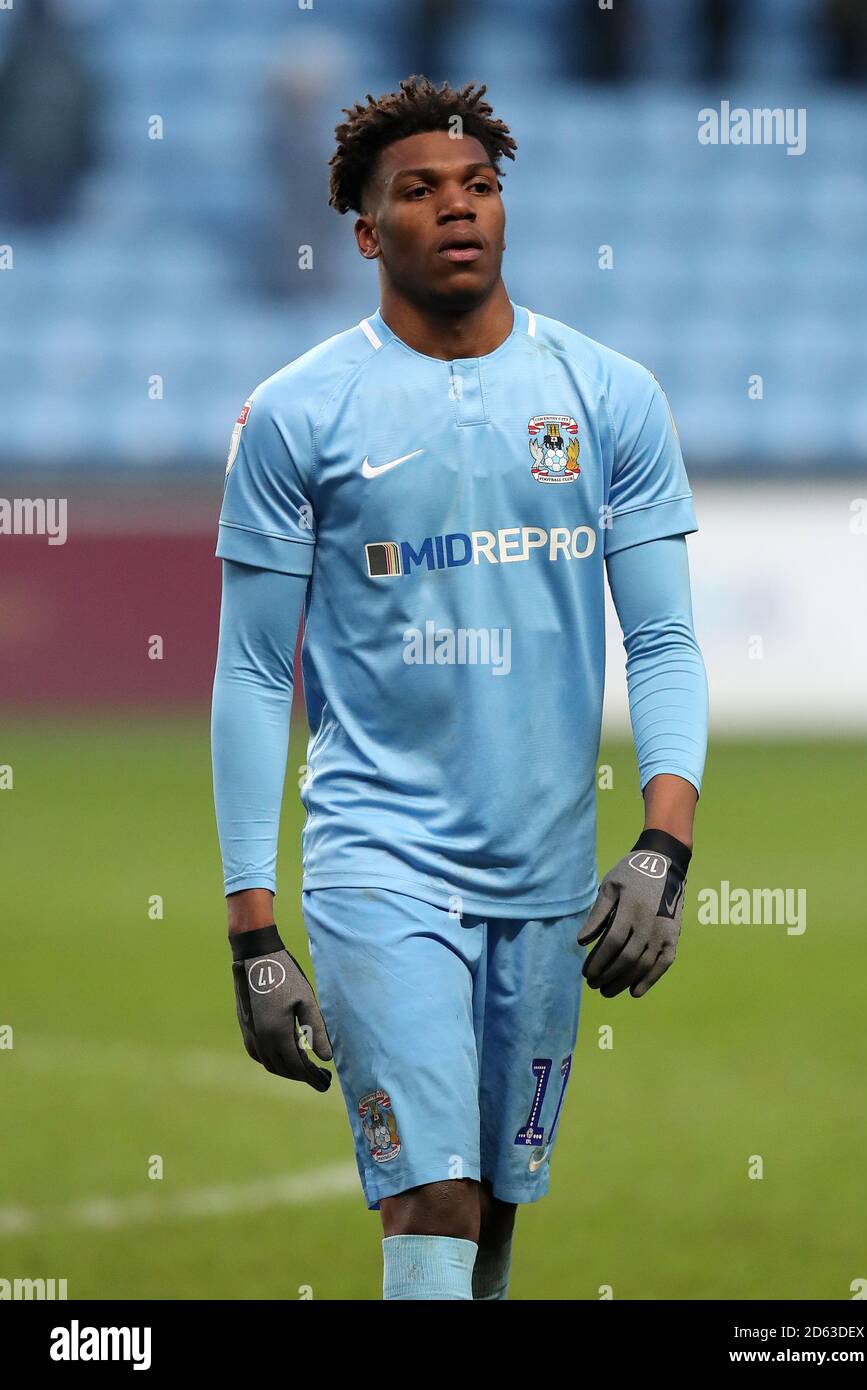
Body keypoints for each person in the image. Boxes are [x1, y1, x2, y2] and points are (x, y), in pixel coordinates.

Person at [211, 75, 708, 1302]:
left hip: (545, 882)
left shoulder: (608, 398)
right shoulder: (297, 413)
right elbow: (252, 667)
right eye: (419, 191)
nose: (458, 209)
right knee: (427, 1195)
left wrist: (660, 846)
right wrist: (253, 935)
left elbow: (661, 641)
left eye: (479, 186)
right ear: (367, 230)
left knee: (485, 1220)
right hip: (379, 858)